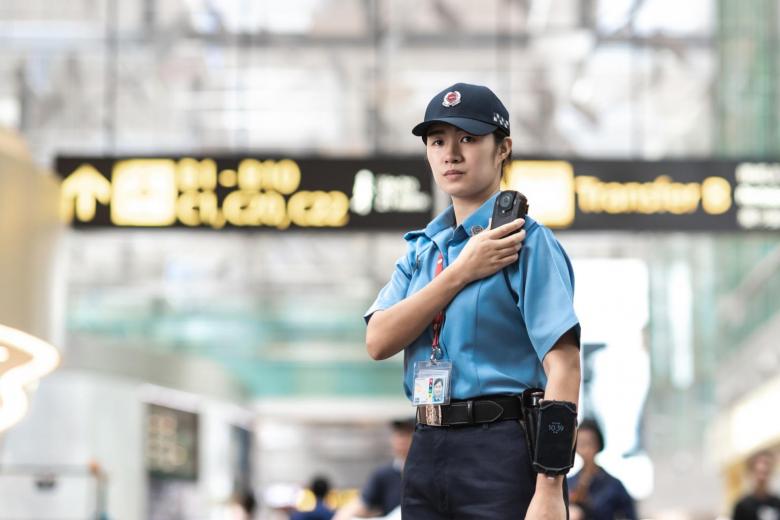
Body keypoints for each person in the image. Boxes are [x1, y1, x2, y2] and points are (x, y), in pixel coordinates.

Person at [364, 82, 581, 518]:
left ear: (503, 149)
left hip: (501, 449)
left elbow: (565, 365)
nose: (451, 153)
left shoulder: (526, 243)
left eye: (468, 139)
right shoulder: (422, 250)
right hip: (426, 447)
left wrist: (550, 487)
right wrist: (462, 271)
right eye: (438, 141)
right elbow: (378, 341)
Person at [333, 419, 414, 519]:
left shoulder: (430, 472)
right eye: (398, 434)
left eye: (407, 434)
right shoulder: (384, 475)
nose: (401, 440)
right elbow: (359, 506)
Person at [567, 419, 637, 520]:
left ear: (598, 445)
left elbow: (630, 515)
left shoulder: (614, 485)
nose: (585, 449)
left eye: (589, 443)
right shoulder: (569, 483)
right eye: (580, 444)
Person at [732, 450, 780, 520]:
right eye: (759, 472)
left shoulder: (777, 503)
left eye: (765, 473)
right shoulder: (743, 505)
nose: (762, 478)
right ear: (752, 473)